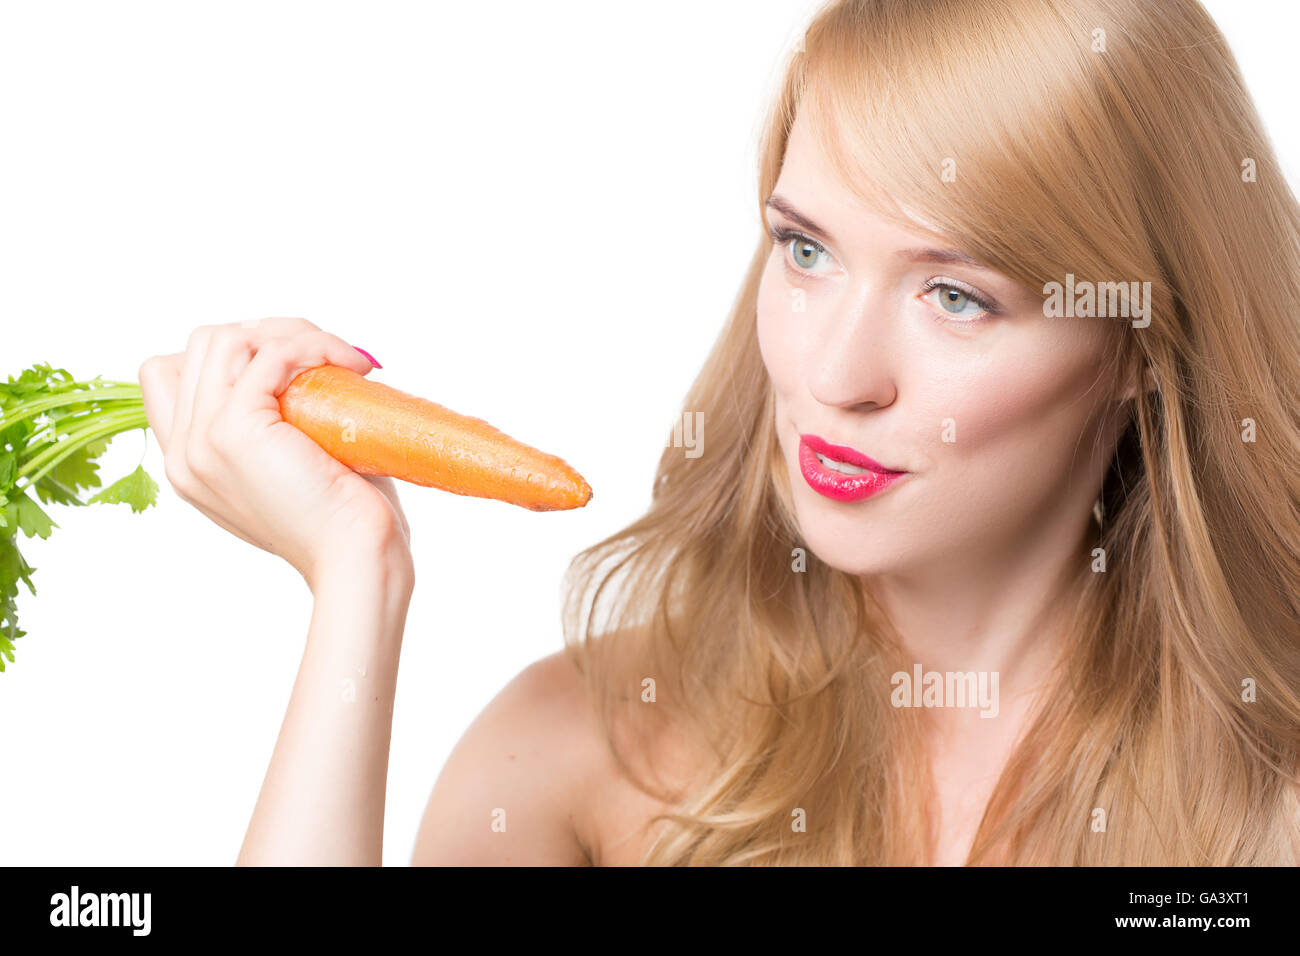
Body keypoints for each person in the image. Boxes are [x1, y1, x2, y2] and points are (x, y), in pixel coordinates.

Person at [139, 0, 1300, 865]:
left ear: (1140, 348)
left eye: (955, 296)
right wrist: (355, 574)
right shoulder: (569, 754)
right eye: (806, 250)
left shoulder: (1269, 799)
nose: (832, 375)